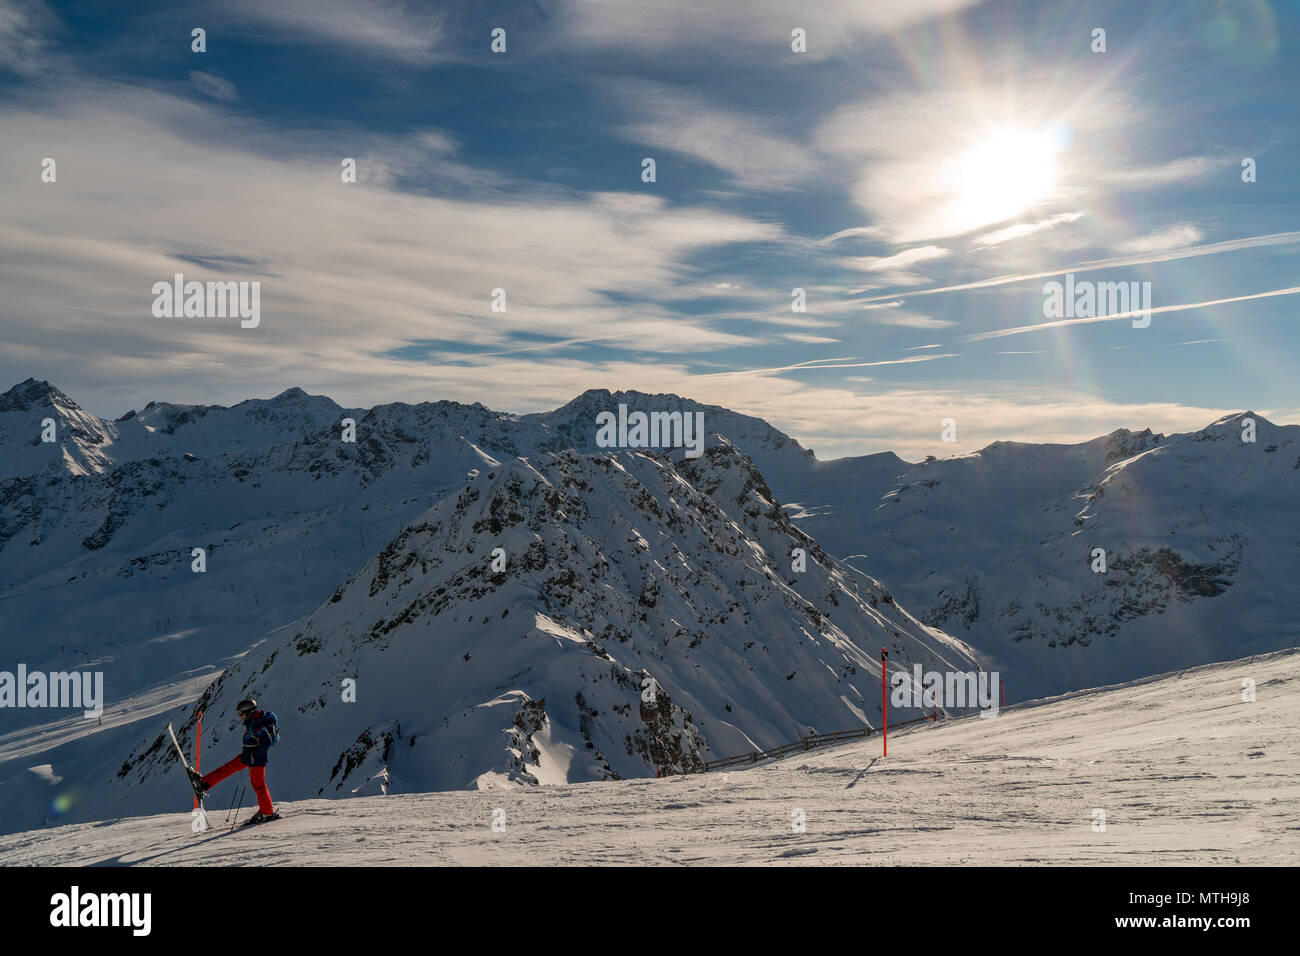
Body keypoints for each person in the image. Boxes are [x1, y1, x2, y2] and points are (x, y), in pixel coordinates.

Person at [189, 697, 280, 823]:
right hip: (248, 757)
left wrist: (255, 755)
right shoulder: (255, 720)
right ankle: (204, 783)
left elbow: (267, 742)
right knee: (228, 768)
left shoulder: (255, 724)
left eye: (240, 713)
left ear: (247, 712)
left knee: (258, 785)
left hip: (256, 760)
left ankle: (267, 812)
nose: (240, 716)